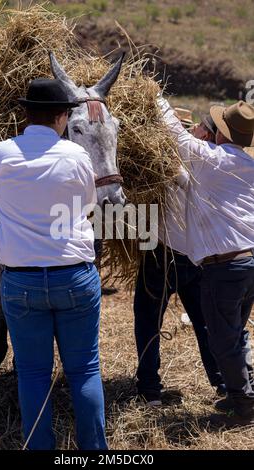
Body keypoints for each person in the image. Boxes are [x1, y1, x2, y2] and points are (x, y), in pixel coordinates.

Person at [0, 78, 107, 449]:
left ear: (27, 114)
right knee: (84, 370)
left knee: (33, 373)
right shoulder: (75, 156)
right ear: (61, 117)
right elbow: (88, 204)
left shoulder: (1, 153)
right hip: (73, 276)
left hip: (20, 282)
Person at [158, 96, 254, 426]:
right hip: (248, 263)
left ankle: (243, 404)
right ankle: (244, 388)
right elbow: (198, 188)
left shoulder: (213, 160)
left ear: (222, 133)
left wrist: (155, 97)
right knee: (235, 331)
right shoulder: (246, 165)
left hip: (224, 266)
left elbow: (177, 136)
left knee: (221, 339)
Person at [134, 114, 226, 406]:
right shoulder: (222, 165)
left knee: (148, 318)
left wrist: (159, 111)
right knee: (206, 322)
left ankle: (149, 390)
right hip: (199, 256)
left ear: (207, 136)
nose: (193, 127)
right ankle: (224, 383)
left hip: (163, 254)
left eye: (199, 125)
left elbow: (171, 130)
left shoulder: (184, 160)